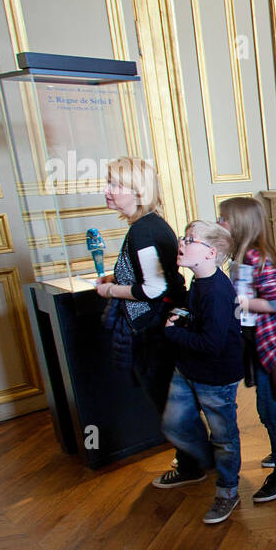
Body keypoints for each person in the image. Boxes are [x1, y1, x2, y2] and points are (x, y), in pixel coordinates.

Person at [155, 220, 244, 526]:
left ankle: (228, 489)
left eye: (190, 239)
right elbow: (199, 319)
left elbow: (211, 343)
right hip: (189, 368)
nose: (181, 243)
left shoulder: (217, 291)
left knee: (224, 438)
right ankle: (203, 466)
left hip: (215, 377)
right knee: (175, 423)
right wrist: (182, 316)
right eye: (184, 237)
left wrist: (173, 333)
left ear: (211, 253)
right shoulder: (200, 281)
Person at [219, 196, 276, 503]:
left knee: (270, 409)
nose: (220, 224)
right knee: (275, 408)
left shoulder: (258, 257)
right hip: (255, 343)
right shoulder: (239, 257)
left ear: (239, 223)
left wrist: (240, 303)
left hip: (272, 345)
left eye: (224, 219)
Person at [96, 157, 186, 414]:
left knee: (168, 405)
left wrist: (110, 290)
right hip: (157, 325)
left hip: (153, 328)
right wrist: (116, 279)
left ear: (138, 191)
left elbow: (154, 289)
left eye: (115, 185)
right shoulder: (147, 225)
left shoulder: (143, 231)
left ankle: (191, 455)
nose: (107, 191)